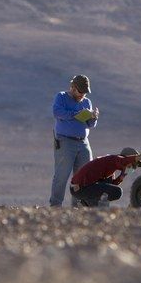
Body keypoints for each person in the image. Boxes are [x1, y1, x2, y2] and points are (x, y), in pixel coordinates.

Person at [50, 74, 98, 206]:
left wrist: (94, 117)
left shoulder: (87, 102)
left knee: (83, 176)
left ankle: (78, 206)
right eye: (80, 91)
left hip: (83, 142)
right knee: (62, 175)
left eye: (85, 92)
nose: (83, 95)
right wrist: (74, 115)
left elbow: (90, 125)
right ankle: (55, 205)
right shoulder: (61, 97)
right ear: (73, 87)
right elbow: (57, 112)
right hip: (65, 141)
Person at [70, 145, 141, 207]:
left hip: (81, 187)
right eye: (133, 165)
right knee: (117, 192)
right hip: (79, 188)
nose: (132, 168)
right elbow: (124, 161)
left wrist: (122, 176)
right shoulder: (113, 159)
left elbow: (110, 186)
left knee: (112, 188)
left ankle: (86, 204)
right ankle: (91, 205)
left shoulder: (110, 169)